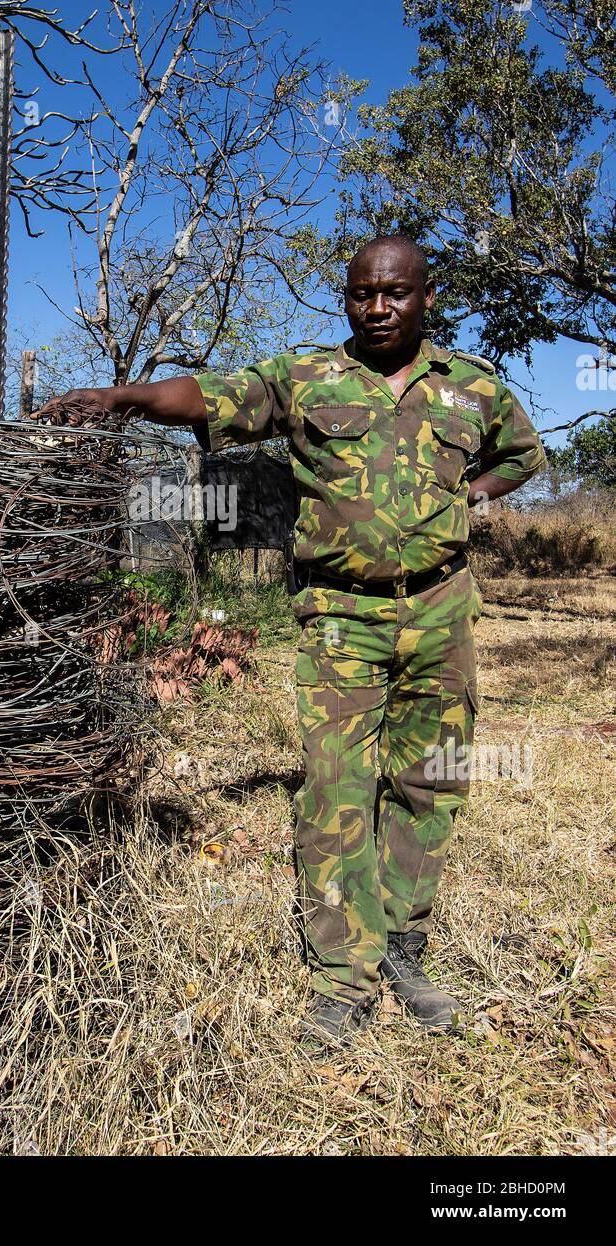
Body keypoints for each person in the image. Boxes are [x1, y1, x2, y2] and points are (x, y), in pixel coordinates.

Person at [33, 234, 547, 1048]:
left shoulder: (473, 387)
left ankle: (406, 949)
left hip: (443, 612)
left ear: (427, 296)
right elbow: (207, 396)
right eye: (361, 294)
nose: (377, 308)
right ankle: (343, 976)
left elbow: (523, 454)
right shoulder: (307, 377)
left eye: (395, 293)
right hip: (342, 616)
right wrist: (123, 398)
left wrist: (470, 497)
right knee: (337, 790)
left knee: (429, 783)